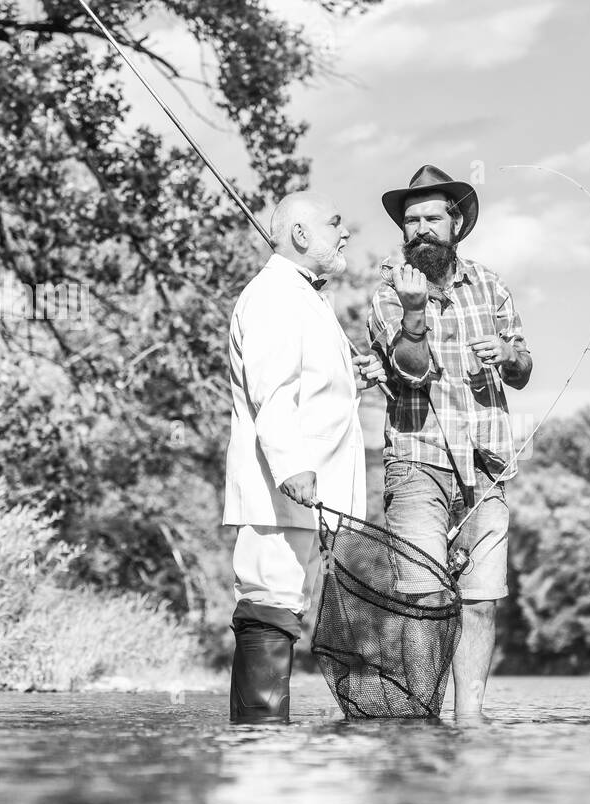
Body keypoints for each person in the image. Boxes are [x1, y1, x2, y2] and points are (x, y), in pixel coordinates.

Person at [367, 164, 533, 719]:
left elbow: (525, 367)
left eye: (432, 218)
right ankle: (421, 717)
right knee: (425, 601)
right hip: (417, 463)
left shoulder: (491, 285)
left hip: (486, 467)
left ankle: (470, 722)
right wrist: (415, 314)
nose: (420, 229)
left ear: (456, 222)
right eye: (411, 221)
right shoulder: (389, 292)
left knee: (482, 603)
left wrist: (508, 356)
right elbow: (409, 371)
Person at [222, 190, 385, 722]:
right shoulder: (274, 295)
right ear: (299, 235)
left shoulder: (304, 296)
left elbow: (311, 389)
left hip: (304, 494)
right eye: (335, 224)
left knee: (285, 600)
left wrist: (351, 378)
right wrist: (293, 467)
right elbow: (272, 390)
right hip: (282, 490)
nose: (344, 234)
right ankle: (259, 739)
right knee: (270, 597)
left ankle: (268, 737)